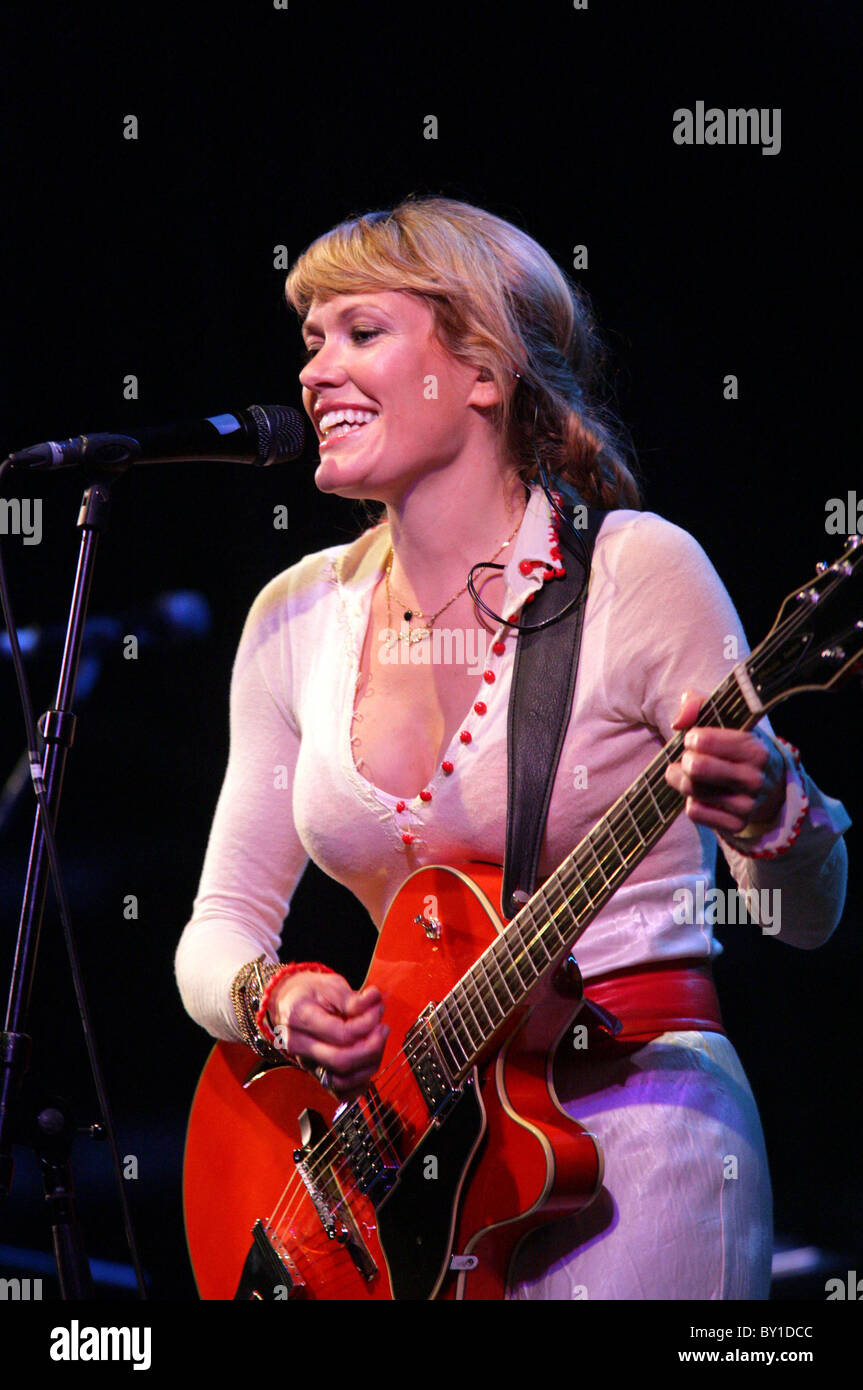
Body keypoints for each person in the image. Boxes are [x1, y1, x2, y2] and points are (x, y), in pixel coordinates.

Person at [175, 195, 850, 1299]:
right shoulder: (292, 617)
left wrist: (774, 813)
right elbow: (215, 930)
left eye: (361, 332)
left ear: (482, 372)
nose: (314, 373)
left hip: (633, 1137)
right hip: (414, 1187)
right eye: (310, 340)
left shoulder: (636, 573)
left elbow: (808, 916)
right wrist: (276, 996)